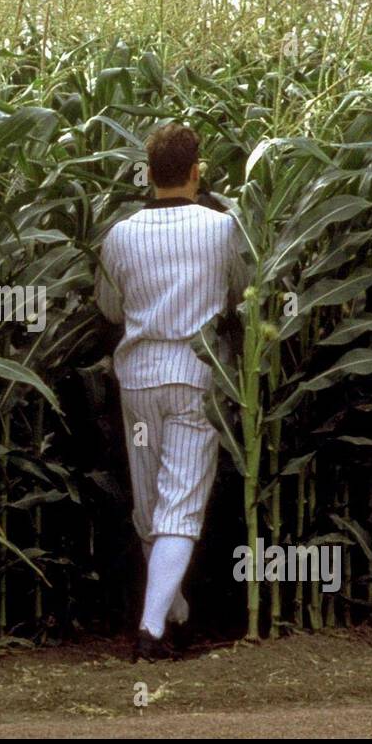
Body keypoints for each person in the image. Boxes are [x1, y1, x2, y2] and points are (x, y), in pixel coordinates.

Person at [95, 123, 245, 661]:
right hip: (196, 374)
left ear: (148, 171)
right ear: (196, 171)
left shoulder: (119, 235)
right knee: (179, 506)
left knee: (150, 506)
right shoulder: (224, 228)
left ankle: (174, 612)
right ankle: (152, 631)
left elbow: (111, 309)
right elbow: (239, 295)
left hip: (137, 378)